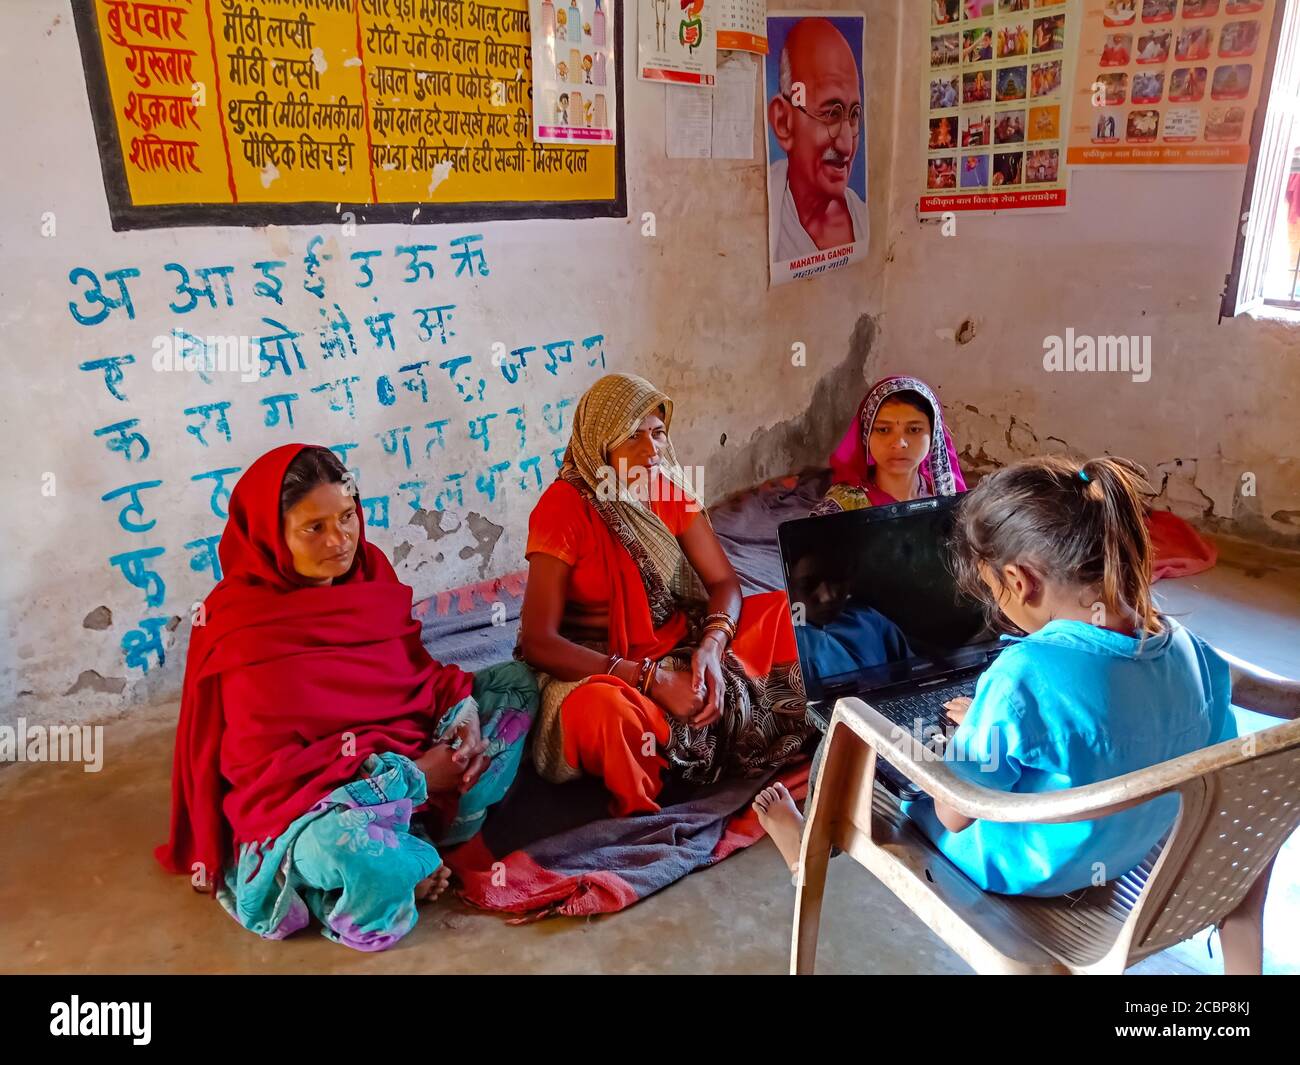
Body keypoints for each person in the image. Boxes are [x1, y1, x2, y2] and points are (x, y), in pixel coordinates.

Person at [754, 456, 1267, 973]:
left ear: (1020, 581)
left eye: (993, 591)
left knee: (847, 724)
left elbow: (955, 811)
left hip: (1023, 866)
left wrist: (973, 723)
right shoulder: (1188, 648)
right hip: (1124, 848)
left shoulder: (1024, 675)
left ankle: (809, 850)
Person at [155, 444, 537, 950]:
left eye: (348, 517)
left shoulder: (370, 577)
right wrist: (418, 776)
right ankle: (391, 862)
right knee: (340, 844)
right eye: (314, 528)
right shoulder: (239, 626)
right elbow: (271, 777)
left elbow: (418, 674)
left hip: (412, 772)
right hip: (320, 810)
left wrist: (460, 720)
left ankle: (406, 848)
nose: (340, 541)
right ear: (272, 535)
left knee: (514, 685)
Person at [518, 373, 811, 816]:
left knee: (789, 617)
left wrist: (711, 648)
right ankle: (672, 754)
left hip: (681, 645)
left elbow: (723, 584)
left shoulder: (665, 489)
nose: (652, 451)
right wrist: (649, 680)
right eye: (632, 437)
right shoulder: (563, 509)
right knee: (605, 714)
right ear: (600, 443)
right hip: (599, 668)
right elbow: (538, 641)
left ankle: (689, 740)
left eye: (657, 434)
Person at [767, 19, 868, 260]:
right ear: (784, 122)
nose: (846, 145)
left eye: (853, 115)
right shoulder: (757, 215)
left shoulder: (861, 220)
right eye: (830, 114)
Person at [814, 375, 966, 515]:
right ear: (866, 436)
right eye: (884, 430)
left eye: (914, 429)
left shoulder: (946, 500)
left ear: (934, 436)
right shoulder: (843, 509)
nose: (899, 444)